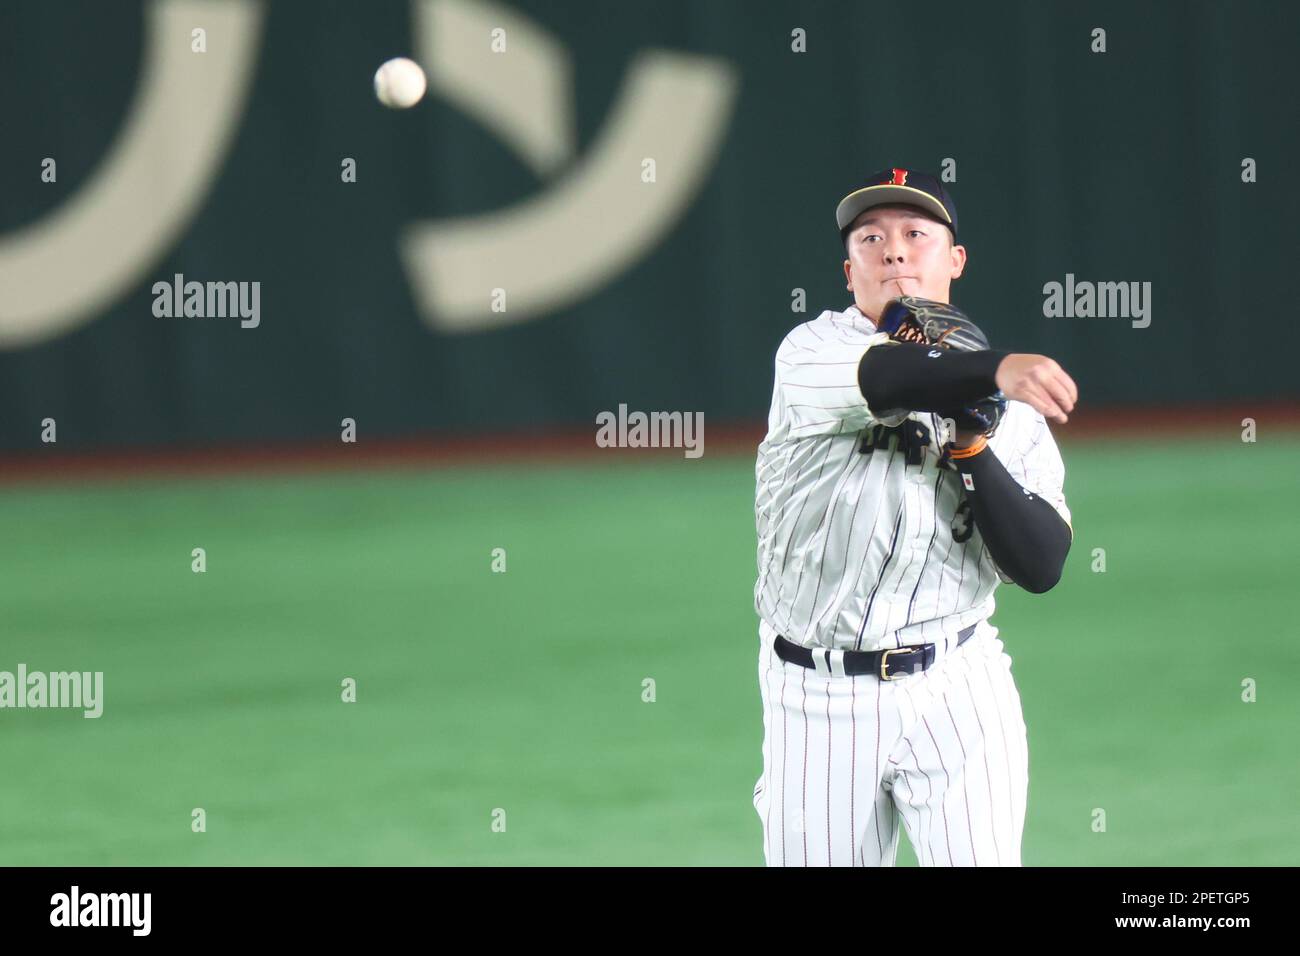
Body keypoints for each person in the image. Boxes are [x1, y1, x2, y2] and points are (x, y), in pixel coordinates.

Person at [751, 167, 1078, 866]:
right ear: (849, 272)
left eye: (915, 234)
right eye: (871, 238)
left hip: (960, 683)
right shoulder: (812, 353)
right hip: (818, 695)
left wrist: (973, 445)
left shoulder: (1008, 410)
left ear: (953, 260)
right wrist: (991, 372)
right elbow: (888, 377)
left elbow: (1042, 564)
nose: (893, 251)